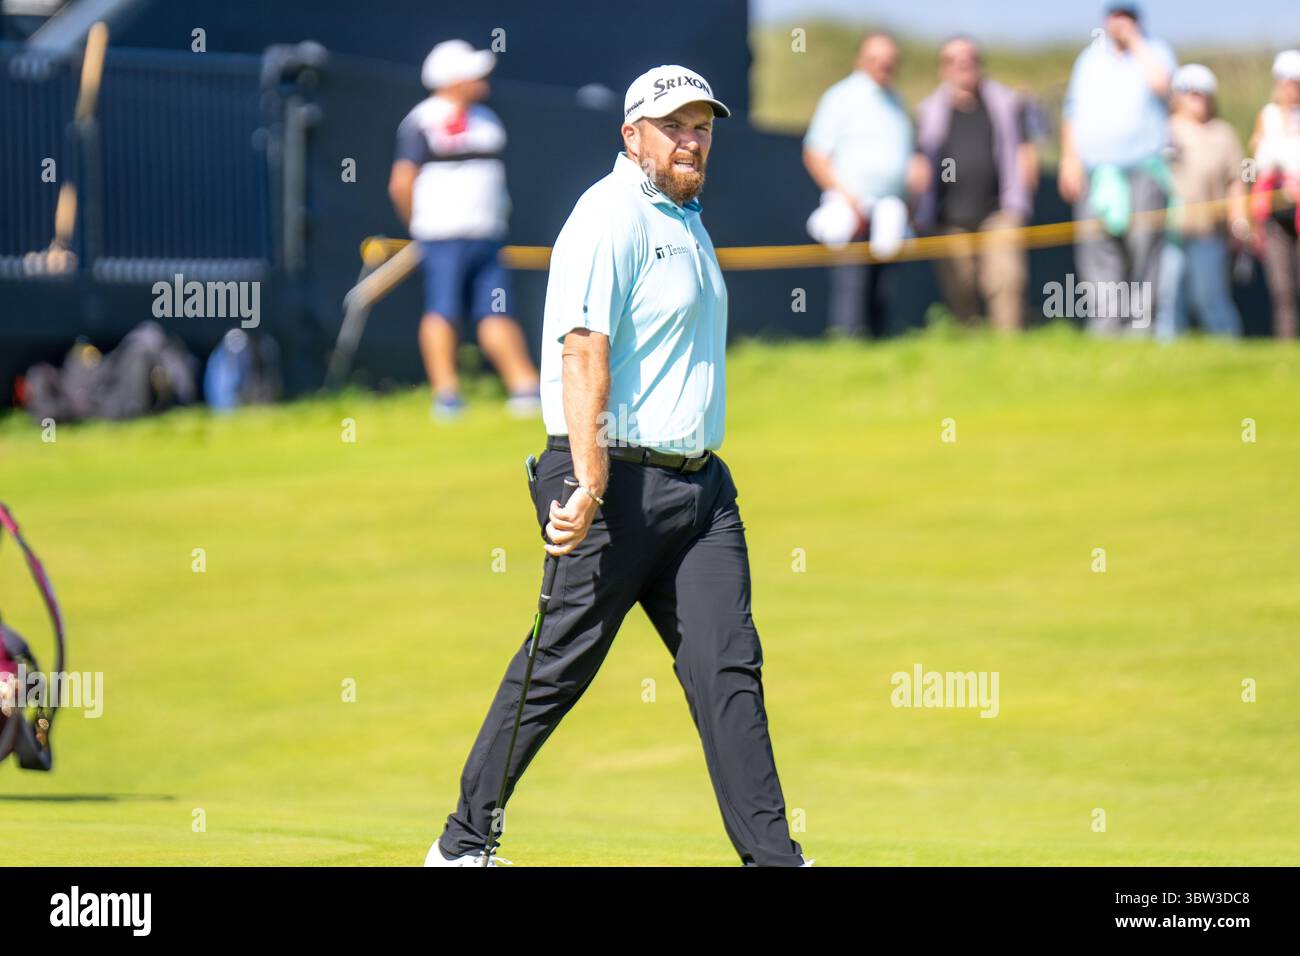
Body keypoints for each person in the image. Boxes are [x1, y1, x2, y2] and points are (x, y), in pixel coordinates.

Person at [425, 65, 811, 867]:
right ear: (632, 134)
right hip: (611, 480)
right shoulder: (608, 215)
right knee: (556, 666)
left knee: (729, 673)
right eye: (675, 126)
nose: (692, 139)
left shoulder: (689, 218)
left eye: (702, 126)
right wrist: (589, 480)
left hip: (701, 492)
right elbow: (582, 353)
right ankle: (463, 845)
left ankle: (775, 860)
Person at [388, 39, 541, 420]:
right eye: (472, 71)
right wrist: (420, 226)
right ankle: (447, 396)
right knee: (443, 310)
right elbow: (401, 183)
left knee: (497, 310)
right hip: (440, 240)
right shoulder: (420, 121)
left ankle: (526, 388)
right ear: (452, 79)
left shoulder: (488, 120)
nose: (482, 77)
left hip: (487, 237)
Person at [1058, 2, 1177, 335]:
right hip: (1097, 175)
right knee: (1098, 255)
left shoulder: (1156, 51)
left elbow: (1163, 87)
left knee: (1144, 251)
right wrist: (1070, 160)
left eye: (1127, 17)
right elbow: (1072, 113)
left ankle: (1142, 330)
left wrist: (1136, 43)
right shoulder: (1089, 60)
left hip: (1143, 172)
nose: (1120, 23)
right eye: (1115, 16)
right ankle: (1105, 330)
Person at [803, 32, 929, 338]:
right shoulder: (841, 97)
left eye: (889, 62)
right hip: (851, 210)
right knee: (852, 284)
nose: (883, 66)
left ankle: (878, 347)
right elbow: (816, 153)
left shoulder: (897, 101)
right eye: (876, 60)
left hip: (890, 211)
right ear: (861, 60)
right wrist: (850, 201)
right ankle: (848, 346)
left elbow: (908, 156)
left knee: (884, 287)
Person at [915, 36, 1035, 332]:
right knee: (959, 288)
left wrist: (1024, 192)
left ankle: (1010, 352)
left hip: (999, 212)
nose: (964, 64)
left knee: (1006, 281)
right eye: (954, 59)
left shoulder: (1006, 103)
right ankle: (970, 353)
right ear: (943, 68)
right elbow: (919, 164)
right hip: (949, 218)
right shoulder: (928, 111)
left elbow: (1025, 149)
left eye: (970, 57)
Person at [1155, 64, 1246, 340]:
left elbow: (1237, 181)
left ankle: (1228, 347)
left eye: (1203, 93)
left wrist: (1239, 222)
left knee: (1209, 297)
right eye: (1190, 92)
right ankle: (1167, 357)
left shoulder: (1224, 134)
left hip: (1209, 232)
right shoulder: (1162, 130)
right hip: (1169, 232)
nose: (1198, 98)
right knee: (1167, 298)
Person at [1250, 49, 1300, 339]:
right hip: (1275, 213)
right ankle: (1287, 348)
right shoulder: (1267, 117)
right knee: (1282, 289)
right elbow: (1258, 163)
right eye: (1288, 81)